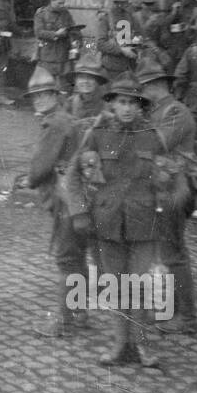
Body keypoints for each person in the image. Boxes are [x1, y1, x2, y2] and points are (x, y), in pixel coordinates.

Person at [68, 75, 170, 368]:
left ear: (141, 107)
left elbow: (172, 177)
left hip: (143, 223)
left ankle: (141, 346)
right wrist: (79, 212)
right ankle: (118, 344)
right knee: (115, 285)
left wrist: (165, 198)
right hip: (107, 222)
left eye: (133, 103)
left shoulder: (153, 136)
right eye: (121, 102)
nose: (126, 108)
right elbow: (73, 176)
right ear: (111, 104)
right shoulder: (96, 134)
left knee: (139, 285)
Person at [19, 66, 85, 337]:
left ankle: (65, 322)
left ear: (56, 96)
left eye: (45, 95)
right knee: (77, 258)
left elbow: (41, 166)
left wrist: (29, 179)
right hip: (77, 196)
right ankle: (79, 314)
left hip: (64, 196)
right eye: (36, 97)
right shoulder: (64, 118)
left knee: (67, 259)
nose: (40, 100)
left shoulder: (54, 123)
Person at [139, 60, 197, 335]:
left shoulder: (175, 111)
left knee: (174, 254)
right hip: (162, 187)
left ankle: (187, 318)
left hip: (175, 189)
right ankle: (172, 310)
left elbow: (156, 144)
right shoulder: (160, 110)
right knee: (167, 251)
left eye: (143, 88)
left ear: (154, 86)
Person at [33, 0, 77, 92]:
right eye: (59, 3)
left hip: (63, 54)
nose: (62, 6)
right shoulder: (42, 14)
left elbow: (73, 28)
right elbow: (38, 32)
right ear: (52, 1)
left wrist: (75, 39)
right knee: (47, 85)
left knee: (65, 86)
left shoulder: (66, 13)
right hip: (48, 56)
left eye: (63, 3)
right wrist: (55, 34)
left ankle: (63, 106)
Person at [96, 0, 142, 81]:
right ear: (112, 1)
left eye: (123, 2)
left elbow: (139, 35)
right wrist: (122, 50)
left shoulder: (131, 17)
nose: (119, 5)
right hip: (111, 68)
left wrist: (136, 43)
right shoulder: (106, 18)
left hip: (129, 66)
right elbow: (100, 43)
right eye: (117, 2)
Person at [68, 55, 110, 120]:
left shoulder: (106, 103)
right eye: (81, 77)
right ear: (76, 81)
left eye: (90, 77)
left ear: (97, 81)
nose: (85, 81)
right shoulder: (70, 103)